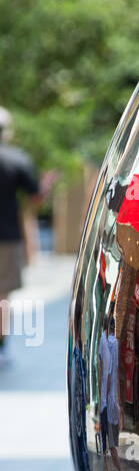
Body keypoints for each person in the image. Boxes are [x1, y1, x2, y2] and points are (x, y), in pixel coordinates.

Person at [0, 107, 40, 359]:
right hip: (8, 236)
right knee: (3, 293)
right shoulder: (18, 159)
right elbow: (35, 197)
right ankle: (1, 339)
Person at [98, 315, 127, 471]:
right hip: (113, 404)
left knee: (106, 452)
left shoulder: (105, 343)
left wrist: (105, 399)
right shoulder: (115, 343)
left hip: (106, 404)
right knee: (112, 450)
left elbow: (106, 374)